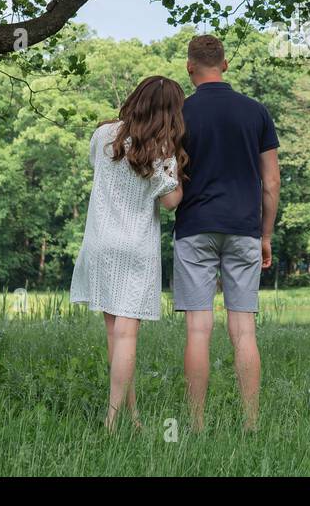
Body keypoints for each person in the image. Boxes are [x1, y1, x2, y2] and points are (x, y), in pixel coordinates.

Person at [173, 34, 280, 431]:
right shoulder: (256, 112)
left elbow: (170, 178)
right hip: (243, 229)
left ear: (189, 67)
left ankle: (197, 425)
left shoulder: (179, 114)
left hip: (195, 227)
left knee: (198, 330)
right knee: (244, 328)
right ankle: (250, 423)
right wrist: (264, 235)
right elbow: (271, 183)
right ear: (226, 64)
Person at [69, 75, 186, 431]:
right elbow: (170, 203)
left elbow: (101, 171)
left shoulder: (104, 135)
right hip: (134, 247)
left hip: (100, 242)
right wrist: (177, 172)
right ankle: (112, 419)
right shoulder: (162, 149)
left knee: (114, 336)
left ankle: (131, 416)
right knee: (127, 336)